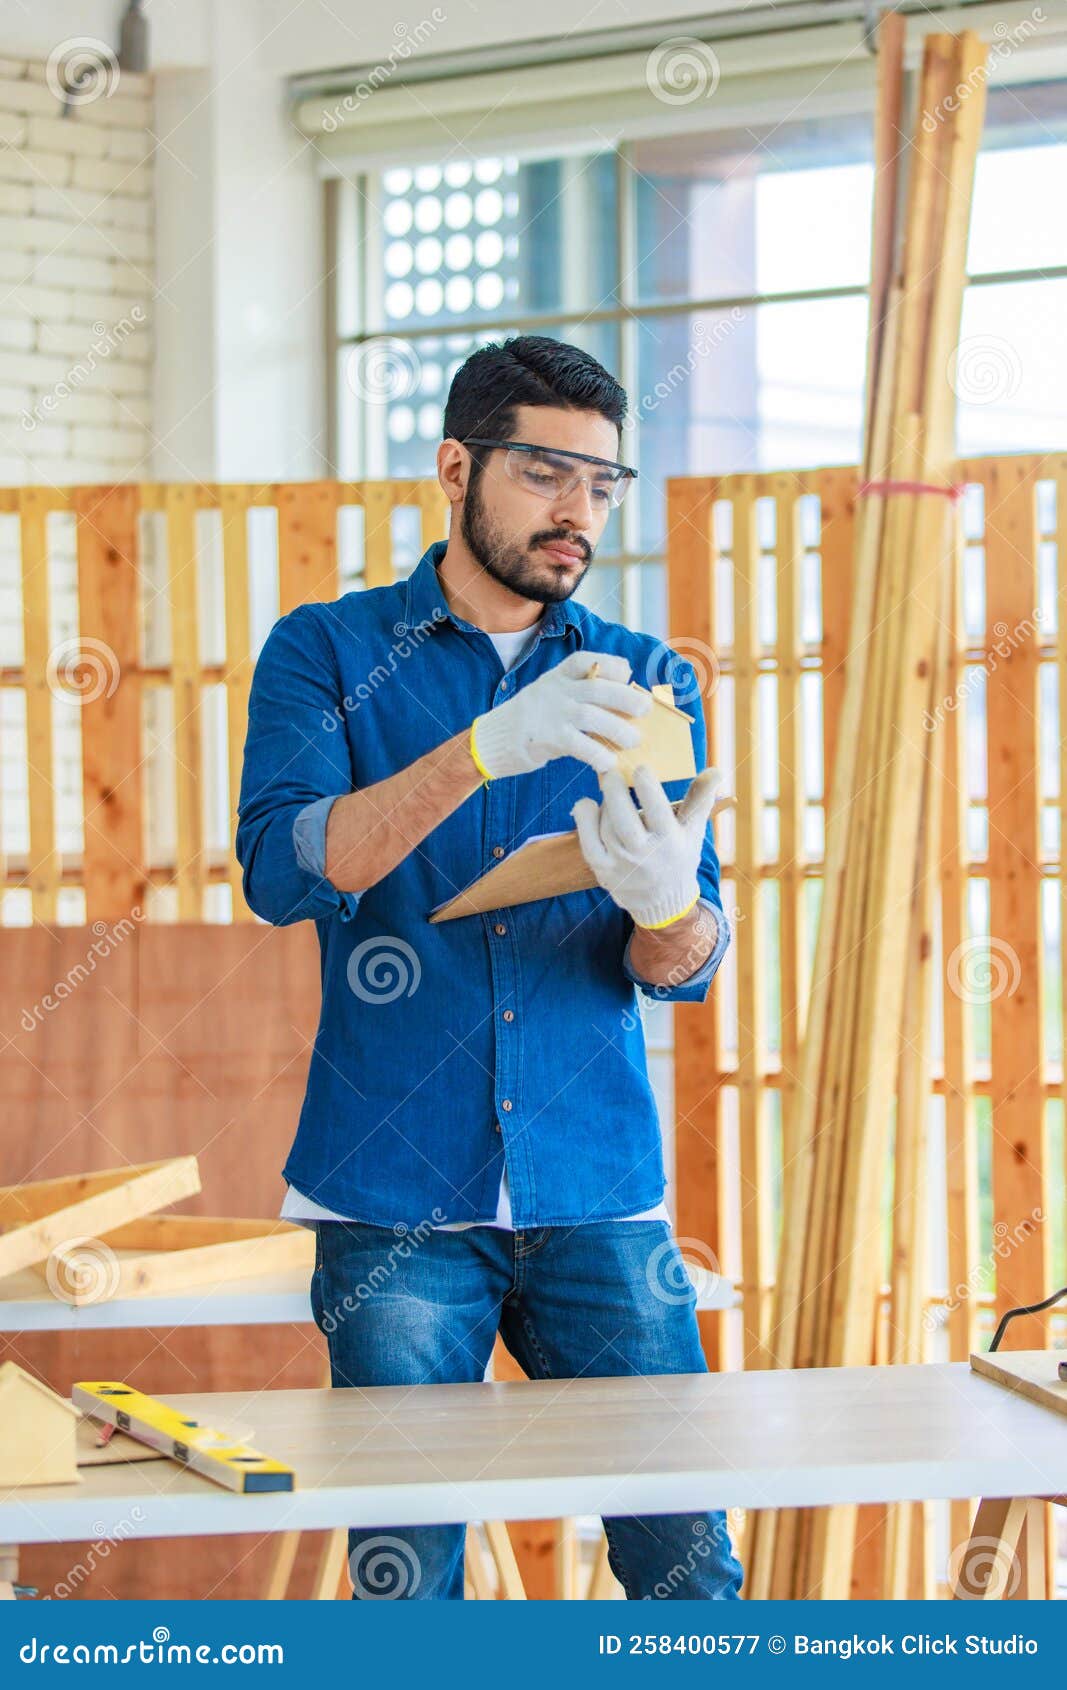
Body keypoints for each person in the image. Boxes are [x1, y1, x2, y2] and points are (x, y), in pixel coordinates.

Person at [236, 334, 743, 1601]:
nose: (578, 512)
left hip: (598, 1189)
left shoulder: (645, 677)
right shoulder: (329, 653)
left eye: (604, 483)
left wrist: (668, 904)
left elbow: (684, 962)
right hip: (392, 1195)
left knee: (689, 1576)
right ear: (457, 467)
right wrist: (480, 749)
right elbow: (285, 870)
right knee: (412, 1597)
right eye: (545, 473)